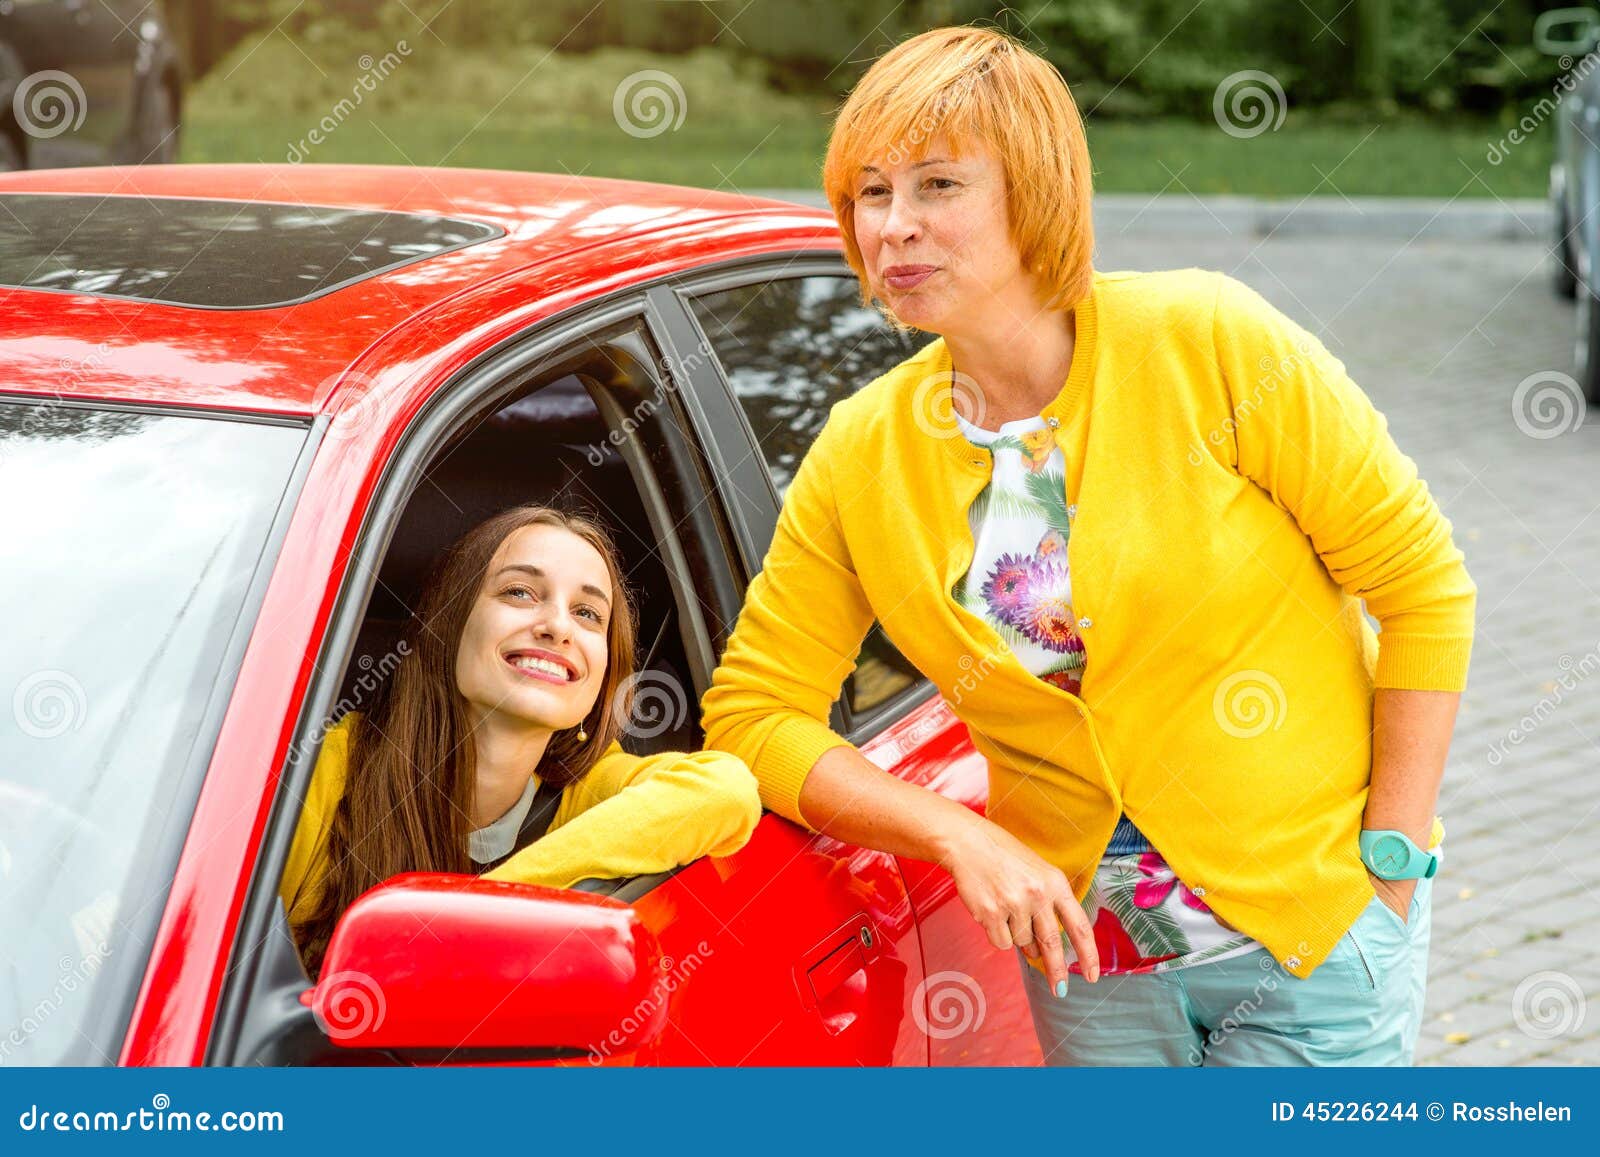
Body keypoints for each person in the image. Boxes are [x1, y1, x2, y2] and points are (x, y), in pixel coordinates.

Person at [700, 25, 1473, 1066]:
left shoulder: (1208, 340)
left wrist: (1390, 855)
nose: (893, 226)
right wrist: (956, 832)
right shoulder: (862, 448)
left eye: (936, 185)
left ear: (1036, 191)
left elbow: (1424, 588)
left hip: (1315, 933)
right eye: (869, 193)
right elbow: (753, 711)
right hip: (1094, 967)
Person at [280, 504, 762, 978]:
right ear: (449, 623)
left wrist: (451, 927)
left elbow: (725, 791)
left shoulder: (592, 788)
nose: (557, 626)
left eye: (588, 613)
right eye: (519, 592)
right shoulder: (320, 774)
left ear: (602, 673)